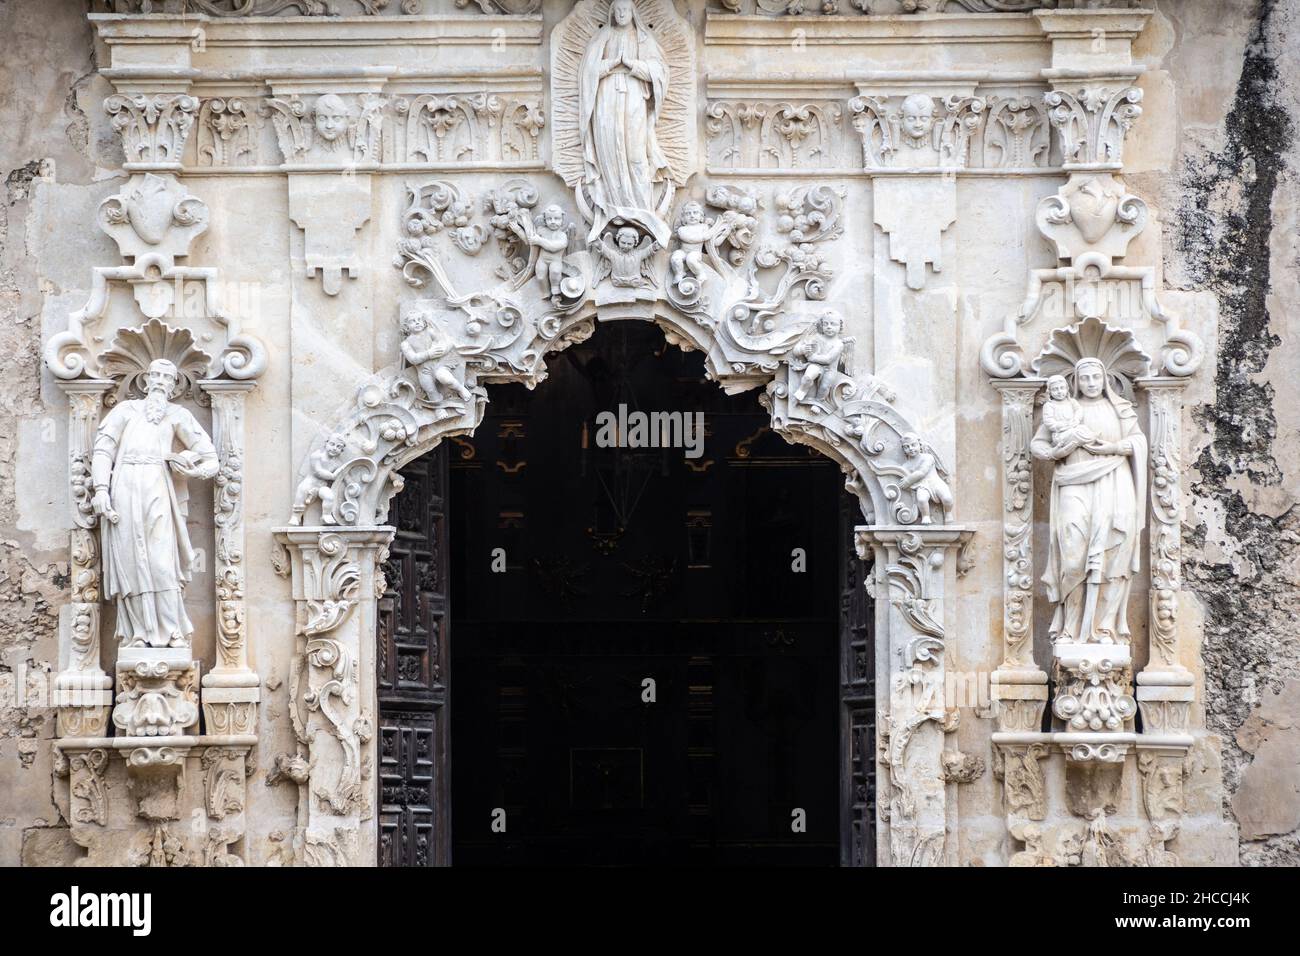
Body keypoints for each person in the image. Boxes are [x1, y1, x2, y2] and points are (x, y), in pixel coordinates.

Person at [91, 359, 218, 648]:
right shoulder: (125, 410)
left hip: (159, 487)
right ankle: (138, 633)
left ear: (174, 386)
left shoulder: (177, 415)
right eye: (156, 375)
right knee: (130, 559)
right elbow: (103, 448)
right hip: (123, 486)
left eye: (167, 377)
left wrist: (190, 467)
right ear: (147, 380)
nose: (160, 380)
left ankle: (172, 631)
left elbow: (211, 458)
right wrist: (100, 489)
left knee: (162, 560)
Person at [1030, 357, 1147, 644]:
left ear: (1105, 379)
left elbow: (1139, 442)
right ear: (1076, 381)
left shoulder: (1119, 408)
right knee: (1073, 552)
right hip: (1073, 482)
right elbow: (1038, 443)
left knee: (1112, 555)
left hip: (1114, 480)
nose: (1091, 383)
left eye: (1096, 377)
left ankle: (1104, 628)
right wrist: (1053, 453)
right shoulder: (1066, 409)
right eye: (1085, 378)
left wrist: (1114, 447)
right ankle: (1070, 628)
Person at [577, 0, 671, 244]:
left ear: (633, 13)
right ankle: (612, 203)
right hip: (606, 98)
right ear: (612, 13)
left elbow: (659, 71)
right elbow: (588, 71)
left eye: (625, 10)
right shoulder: (603, 36)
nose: (621, 14)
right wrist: (609, 65)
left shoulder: (643, 39)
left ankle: (641, 206)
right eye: (617, 10)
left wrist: (632, 64)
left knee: (635, 153)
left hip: (634, 97)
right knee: (609, 149)